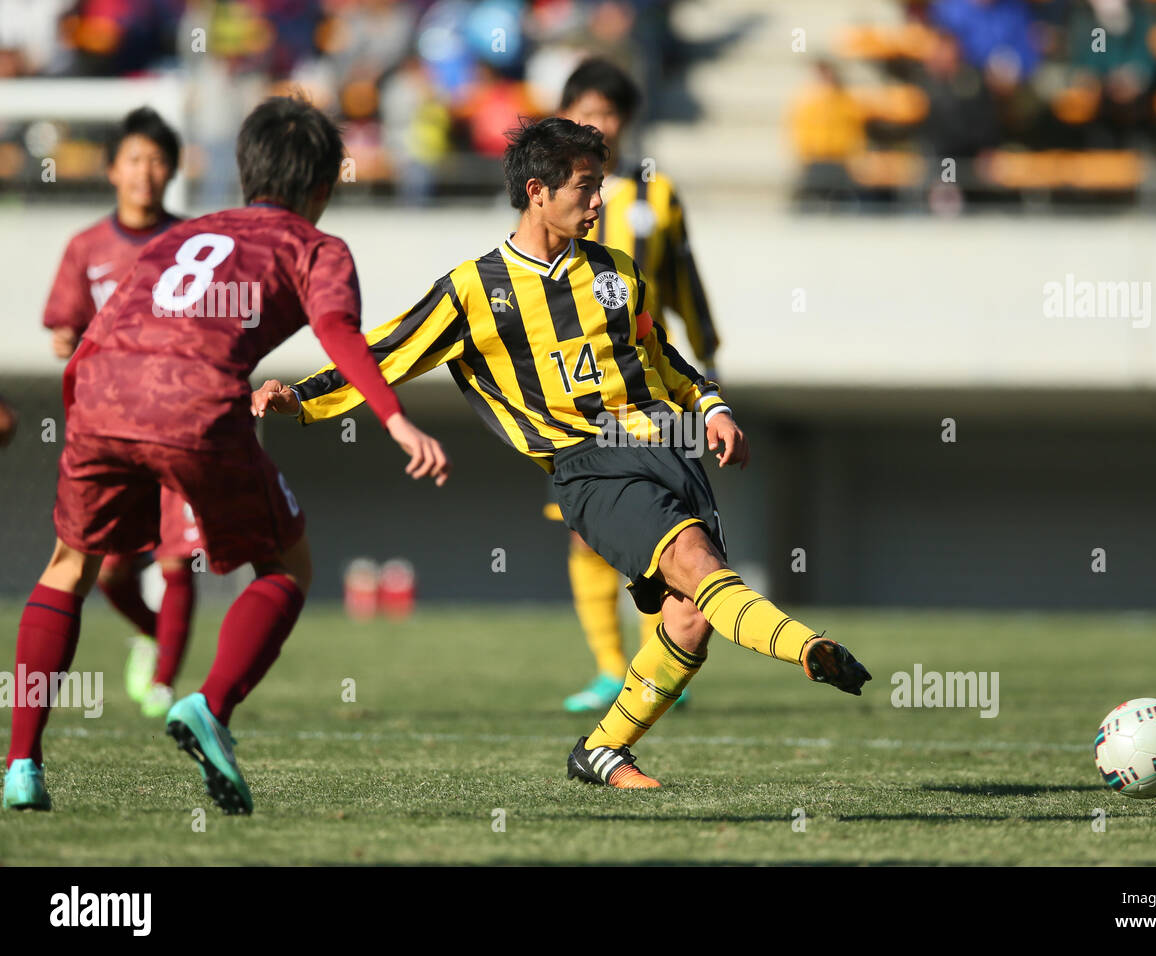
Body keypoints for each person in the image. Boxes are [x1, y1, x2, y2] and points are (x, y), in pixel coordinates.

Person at [253, 117, 869, 790]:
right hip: (589, 468)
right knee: (695, 563)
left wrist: (712, 409)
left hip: (673, 453)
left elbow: (662, 360)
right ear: (537, 191)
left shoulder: (617, 274)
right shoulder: (474, 289)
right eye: (585, 187)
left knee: (690, 620)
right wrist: (304, 398)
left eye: (600, 185)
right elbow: (387, 351)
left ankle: (602, 752)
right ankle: (805, 646)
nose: (599, 201)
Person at [3, 95, 450, 815]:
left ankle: (21, 764)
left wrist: (89, 412)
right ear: (324, 187)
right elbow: (337, 331)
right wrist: (394, 418)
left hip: (98, 395)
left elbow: (97, 333)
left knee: (68, 566)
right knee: (286, 563)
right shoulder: (316, 245)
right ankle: (209, 705)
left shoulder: (181, 234)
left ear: (247, 172)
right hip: (195, 406)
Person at [551, 57, 722, 713]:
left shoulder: (656, 194)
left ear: (625, 122)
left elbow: (686, 286)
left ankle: (659, 669)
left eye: (609, 113)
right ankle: (606, 669)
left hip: (648, 392)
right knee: (587, 531)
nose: (598, 123)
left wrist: (709, 376)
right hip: (576, 395)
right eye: (585, 112)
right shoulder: (553, 198)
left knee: (662, 528)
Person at [41, 106, 197, 717]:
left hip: (180, 422)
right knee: (107, 573)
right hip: (109, 428)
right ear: (112, 170)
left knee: (181, 555)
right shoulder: (86, 247)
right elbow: (64, 324)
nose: (146, 172)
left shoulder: (192, 244)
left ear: (171, 171)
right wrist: (63, 338)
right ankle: (154, 632)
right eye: (134, 158)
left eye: (158, 160)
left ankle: (163, 684)